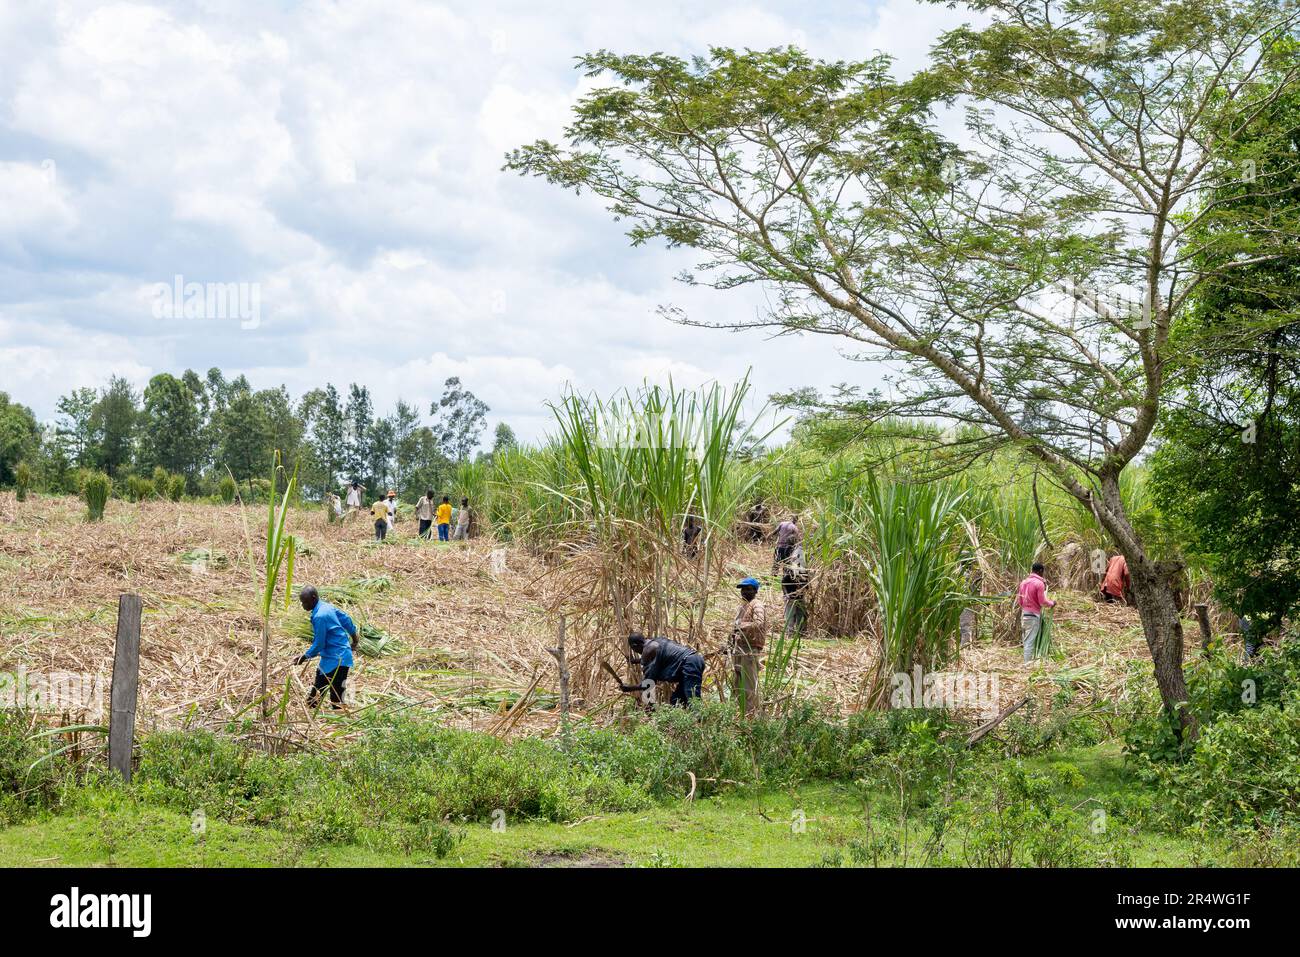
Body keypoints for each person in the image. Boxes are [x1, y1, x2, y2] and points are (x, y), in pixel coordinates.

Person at [295, 585, 358, 709]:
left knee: (330, 697)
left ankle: (337, 724)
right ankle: (323, 720)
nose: (303, 606)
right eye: (302, 602)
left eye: (305, 602)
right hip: (339, 657)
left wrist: (304, 656)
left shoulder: (320, 617)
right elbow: (347, 620)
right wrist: (355, 639)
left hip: (336, 659)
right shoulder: (327, 607)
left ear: (313, 598)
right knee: (324, 694)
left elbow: (319, 644)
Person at [617, 633, 705, 707]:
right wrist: (635, 661)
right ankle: (688, 725)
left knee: (693, 699)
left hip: (689, 664)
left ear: (635, 646)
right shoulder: (656, 641)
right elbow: (663, 656)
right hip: (694, 660)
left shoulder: (647, 651)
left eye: (634, 650)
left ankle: (701, 722)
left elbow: (649, 683)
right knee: (676, 701)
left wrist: (629, 688)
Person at [731, 577, 768, 716]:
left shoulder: (757, 604)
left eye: (748, 589)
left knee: (748, 683)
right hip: (739, 648)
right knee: (737, 682)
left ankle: (751, 713)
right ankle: (738, 712)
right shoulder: (742, 607)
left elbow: (759, 622)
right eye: (743, 589)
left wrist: (741, 626)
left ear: (755, 590)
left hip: (749, 648)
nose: (744, 592)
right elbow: (734, 629)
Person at [1015, 561, 1056, 663]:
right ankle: (1027, 664)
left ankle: (1028, 661)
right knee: (1029, 641)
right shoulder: (1039, 583)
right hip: (1033, 616)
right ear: (1041, 571)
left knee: (1026, 640)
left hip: (1024, 614)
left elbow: (1019, 601)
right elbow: (1042, 602)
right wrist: (1052, 603)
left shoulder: (1023, 582)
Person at [781, 548, 811, 639]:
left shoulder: (804, 572)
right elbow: (783, 583)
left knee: (801, 615)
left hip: (800, 598)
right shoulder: (790, 572)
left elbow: (807, 586)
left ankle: (801, 634)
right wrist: (786, 594)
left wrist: (804, 589)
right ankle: (789, 635)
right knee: (790, 617)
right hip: (790, 598)